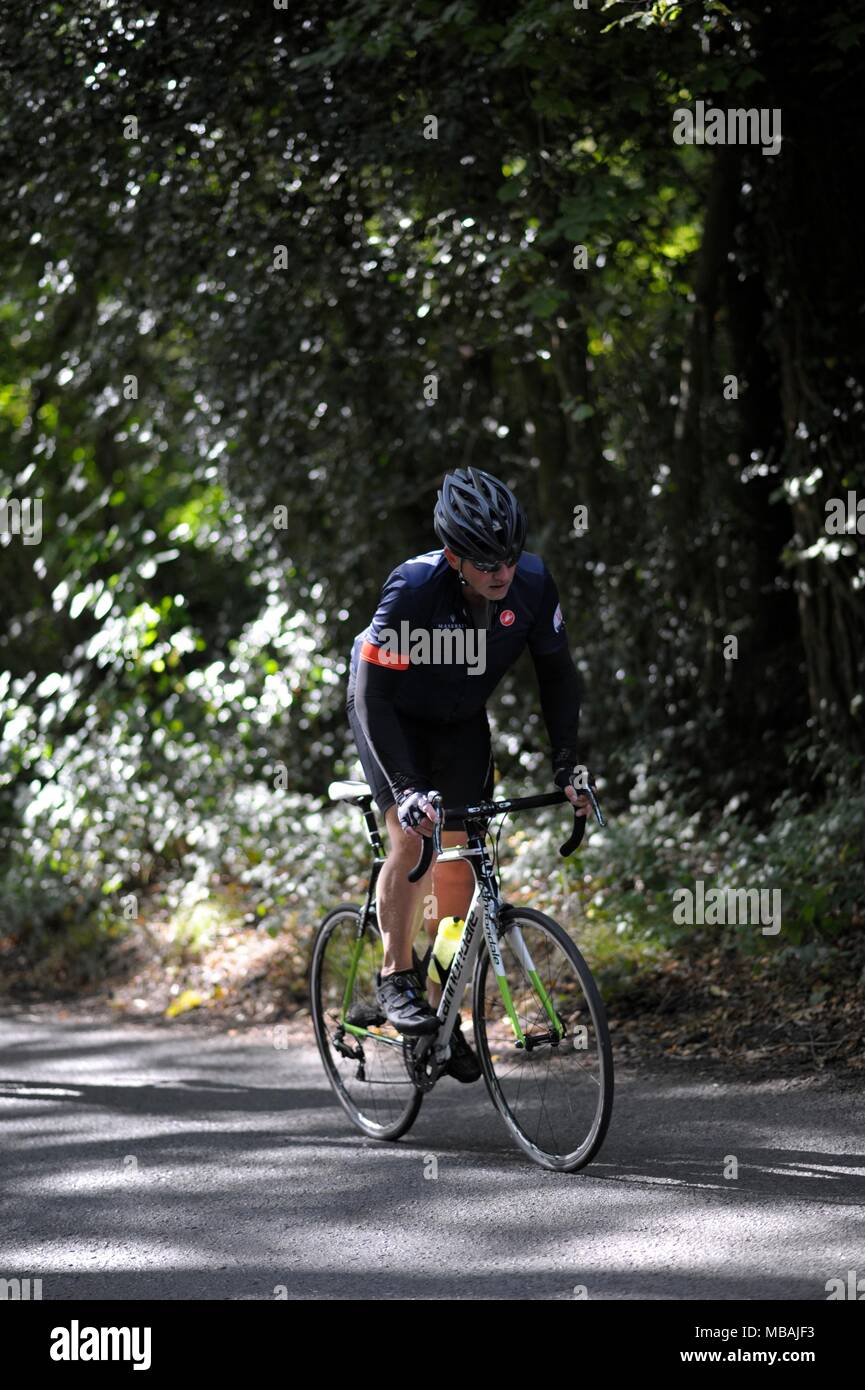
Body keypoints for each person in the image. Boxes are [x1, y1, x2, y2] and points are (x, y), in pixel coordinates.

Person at [345, 467, 590, 1082]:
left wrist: (568, 765)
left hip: (459, 723)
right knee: (413, 840)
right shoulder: (414, 590)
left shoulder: (533, 584)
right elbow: (373, 698)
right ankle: (395, 976)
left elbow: (557, 676)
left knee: (460, 885)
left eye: (507, 556)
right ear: (455, 556)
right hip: (392, 714)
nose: (501, 572)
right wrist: (403, 793)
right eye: (485, 562)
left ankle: (440, 1009)